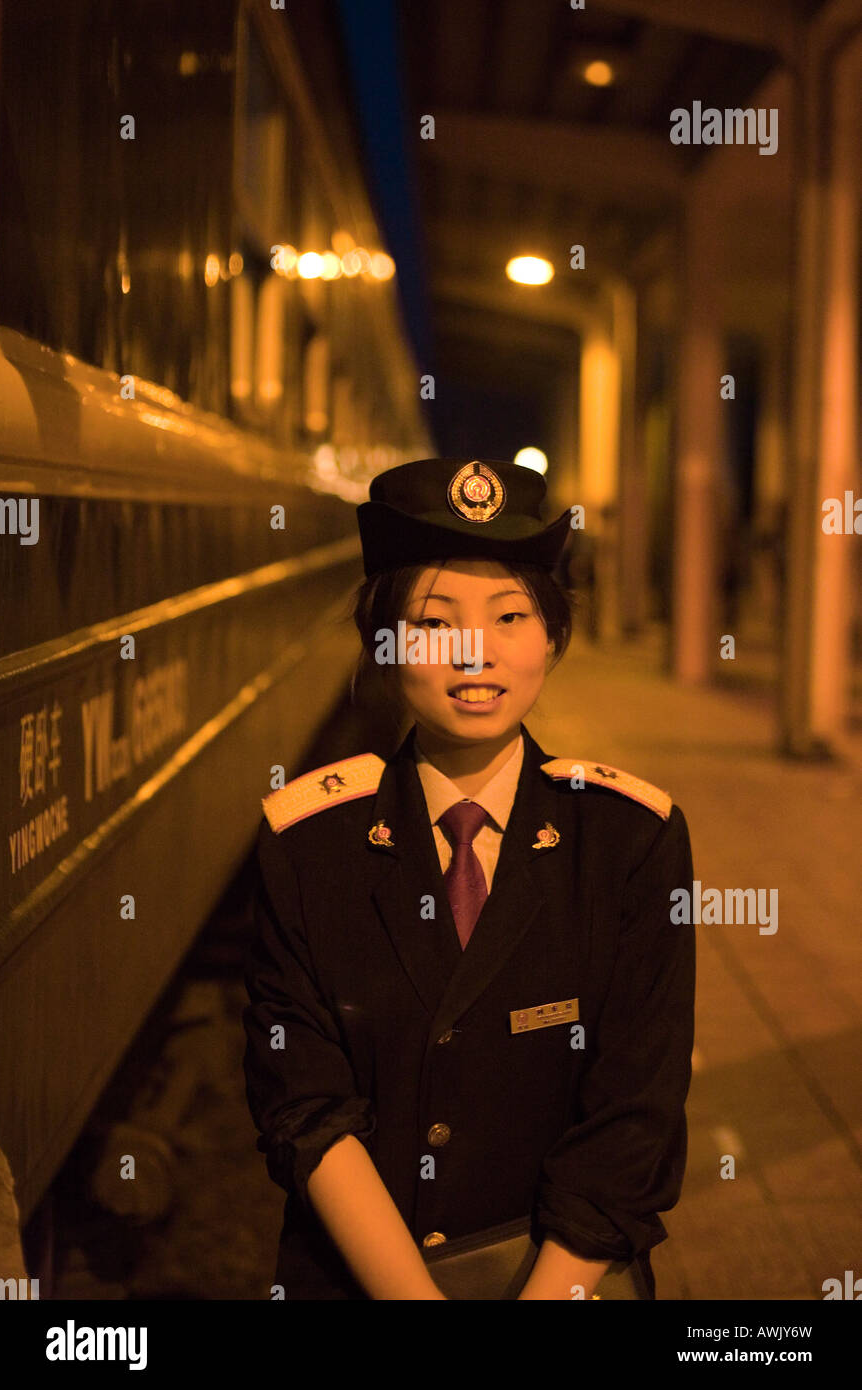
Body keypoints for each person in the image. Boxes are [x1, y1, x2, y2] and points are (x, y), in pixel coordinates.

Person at [242, 457, 695, 1300]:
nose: (475, 653)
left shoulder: (631, 841)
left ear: (553, 638)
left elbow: (638, 1114)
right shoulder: (308, 845)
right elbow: (303, 1105)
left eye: (510, 615)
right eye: (433, 622)